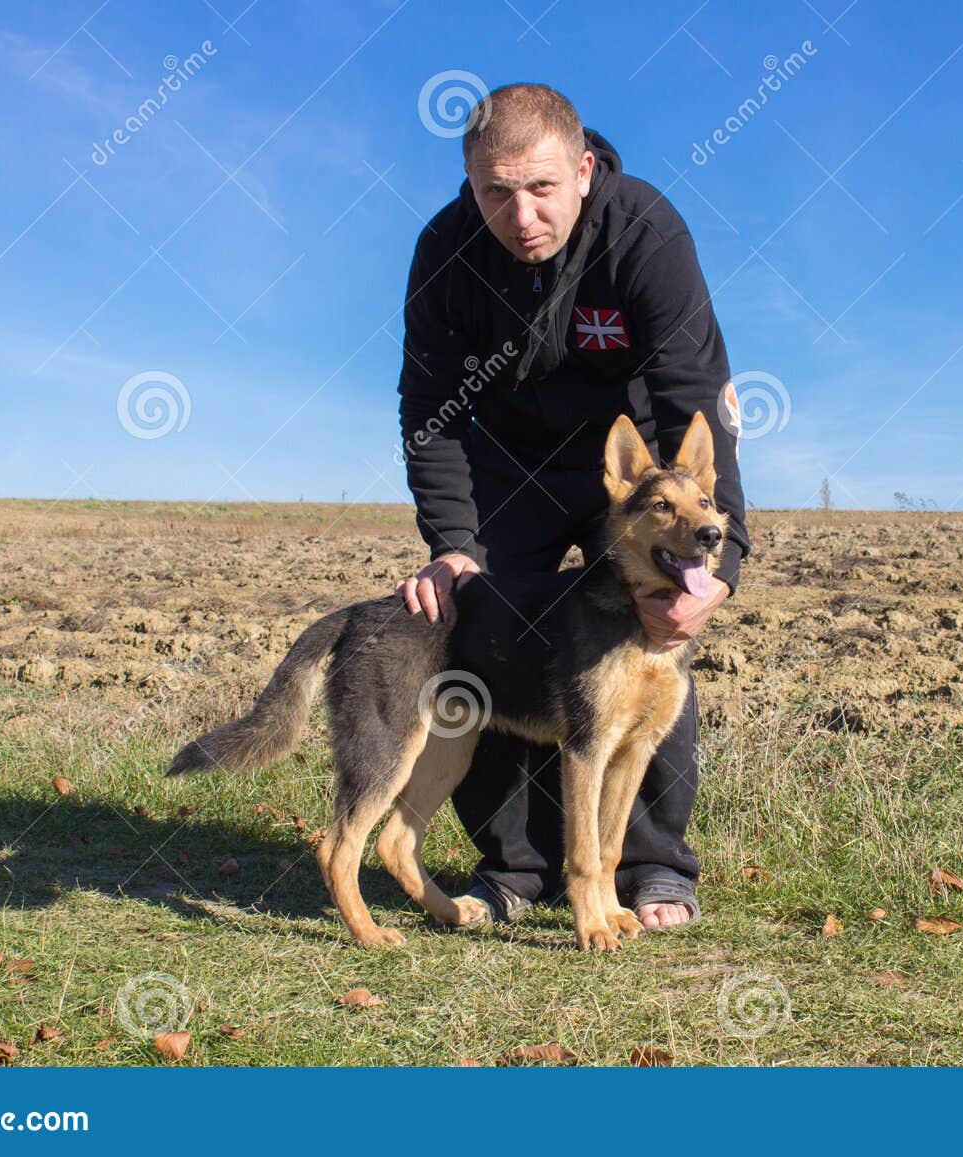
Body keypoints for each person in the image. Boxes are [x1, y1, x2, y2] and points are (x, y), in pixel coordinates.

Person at [394, 83, 748, 930]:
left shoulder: (645, 232)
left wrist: (712, 570)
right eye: (496, 192)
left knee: (651, 646)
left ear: (584, 170)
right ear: (470, 184)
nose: (521, 214)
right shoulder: (445, 251)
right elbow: (429, 412)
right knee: (478, 636)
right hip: (505, 469)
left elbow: (695, 398)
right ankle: (515, 868)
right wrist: (453, 543)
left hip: (629, 476)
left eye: (542, 187)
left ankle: (654, 868)